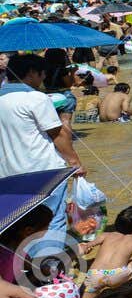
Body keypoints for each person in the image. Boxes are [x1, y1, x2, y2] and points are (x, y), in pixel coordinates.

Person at [0, 53, 83, 236]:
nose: (44, 77)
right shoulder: (36, 98)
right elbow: (58, 135)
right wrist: (75, 163)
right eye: (42, 73)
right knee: (52, 221)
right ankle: (50, 261)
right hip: (44, 172)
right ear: (31, 72)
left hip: (8, 175)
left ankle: (23, 263)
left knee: (19, 226)